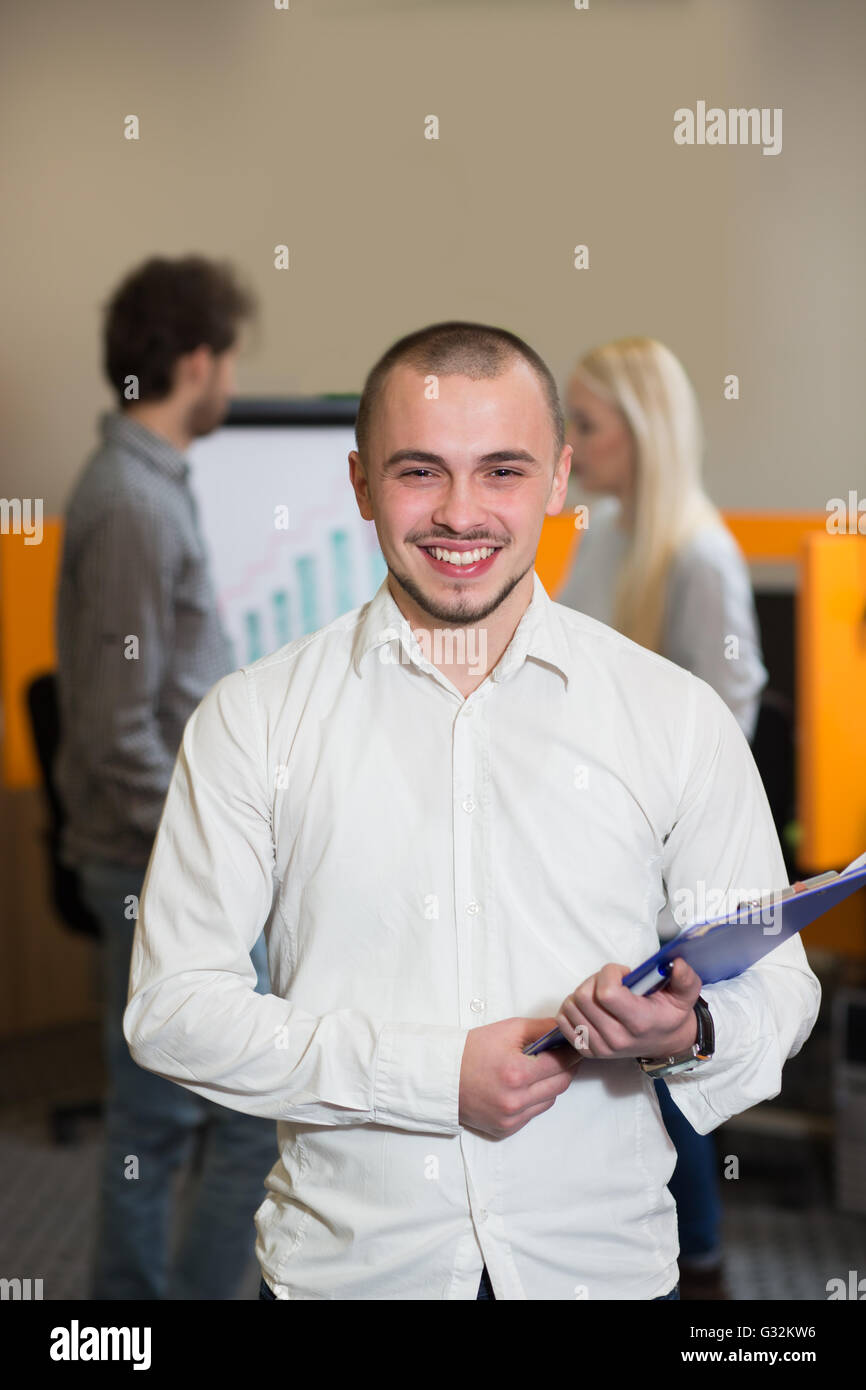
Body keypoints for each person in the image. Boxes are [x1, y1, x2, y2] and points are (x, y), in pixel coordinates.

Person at [123, 320, 820, 1300]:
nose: (460, 514)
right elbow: (171, 1010)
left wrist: (686, 1033)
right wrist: (426, 1075)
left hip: (602, 1272)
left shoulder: (673, 718)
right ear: (362, 483)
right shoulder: (252, 720)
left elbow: (778, 990)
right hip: (355, 1275)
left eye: (501, 471)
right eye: (419, 471)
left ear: (556, 479)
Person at [55, 254, 278, 1300]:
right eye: (227, 356)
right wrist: (209, 851)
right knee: (217, 1122)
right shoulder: (134, 507)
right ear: (196, 361)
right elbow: (112, 731)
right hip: (156, 862)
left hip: (164, 856)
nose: (230, 377)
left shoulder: (147, 490)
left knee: (187, 1119)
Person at [557, 336, 769, 1298]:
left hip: (670, 864)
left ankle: (704, 1267)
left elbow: (725, 727)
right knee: (621, 1066)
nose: (570, 439)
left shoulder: (699, 557)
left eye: (586, 423)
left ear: (639, 434)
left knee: (663, 1066)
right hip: (596, 843)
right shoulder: (605, 532)